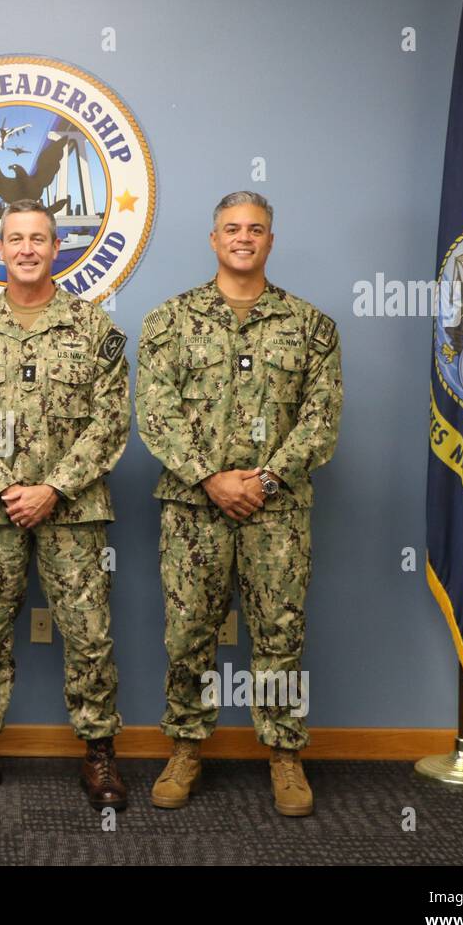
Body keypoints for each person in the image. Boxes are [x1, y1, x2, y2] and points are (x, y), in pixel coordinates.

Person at [136, 190, 343, 816]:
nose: (243, 237)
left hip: (276, 511)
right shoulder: (169, 320)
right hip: (193, 510)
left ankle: (284, 753)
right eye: (231, 228)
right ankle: (185, 747)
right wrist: (210, 478)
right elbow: (154, 411)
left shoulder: (311, 325)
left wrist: (266, 480)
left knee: (280, 634)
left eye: (256, 228)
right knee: (188, 633)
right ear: (214, 239)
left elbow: (322, 417)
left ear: (271, 241)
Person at [0, 198, 131, 810]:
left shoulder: (95, 329)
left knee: (90, 634)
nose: (26, 249)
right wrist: (6, 488)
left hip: (72, 510)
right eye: (15, 238)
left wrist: (52, 488)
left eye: (38, 239)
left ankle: (99, 754)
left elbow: (112, 420)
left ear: (54, 247)